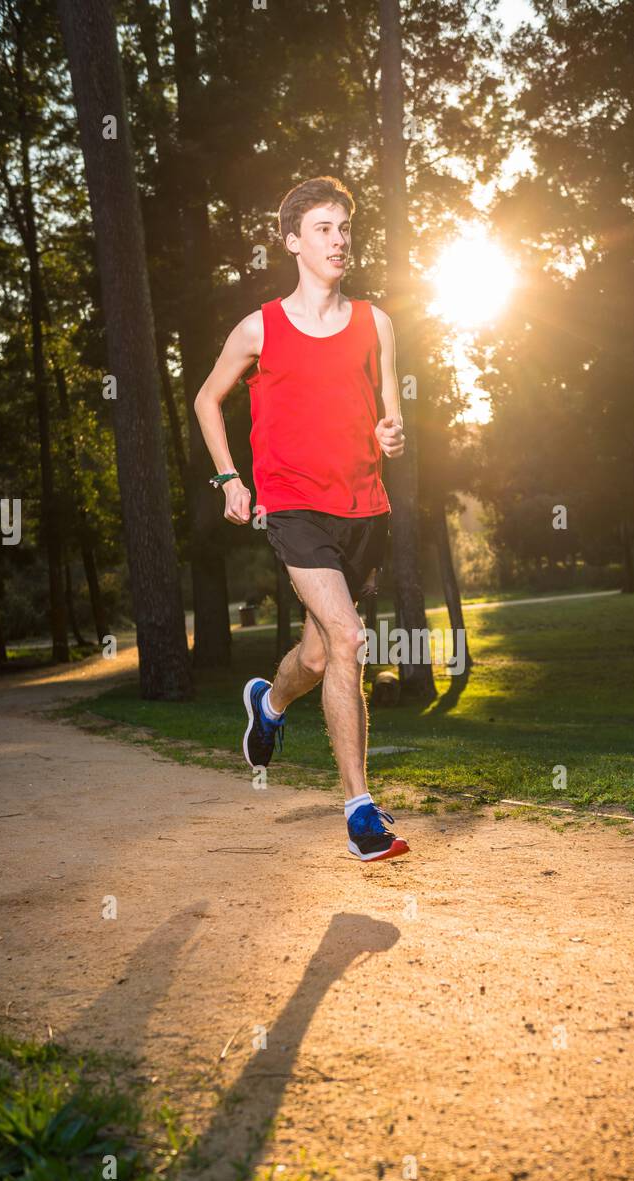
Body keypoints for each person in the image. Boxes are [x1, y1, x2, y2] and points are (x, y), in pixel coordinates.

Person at [194, 175, 409, 862]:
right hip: (291, 505)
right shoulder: (261, 327)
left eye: (343, 227)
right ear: (292, 241)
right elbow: (206, 399)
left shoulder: (377, 322)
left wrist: (393, 429)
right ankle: (359, 810)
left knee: (318, 655)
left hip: (364, 508)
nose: (337, 239)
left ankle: (270, 704)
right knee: (347, 638)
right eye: (321, 228)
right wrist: (230, 478)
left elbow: (389, 405)